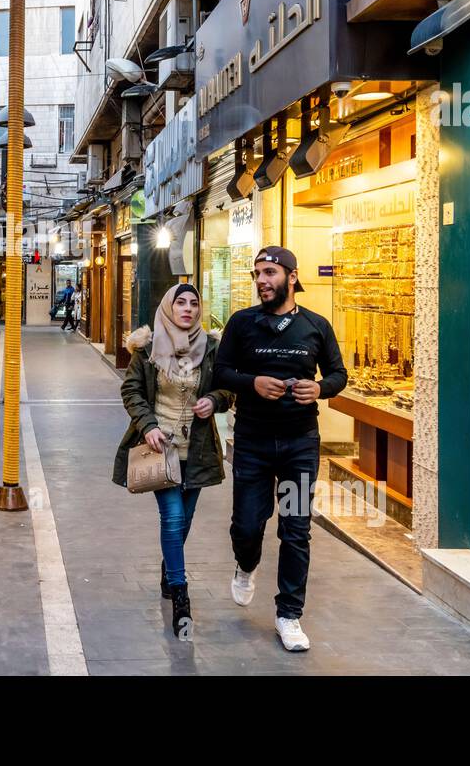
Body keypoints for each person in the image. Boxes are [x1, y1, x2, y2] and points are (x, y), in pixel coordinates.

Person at [214, 246, 346, 653]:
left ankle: (289, 614)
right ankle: (246, 564)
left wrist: (319, 389)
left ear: (292, 276)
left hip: (299, 444)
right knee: (247, 525)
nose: (261, 281)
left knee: (296, 529)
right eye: (257, 273)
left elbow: (339, 374)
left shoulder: (316, 326)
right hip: (252, 441)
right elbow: (221, 372)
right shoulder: (242, 323)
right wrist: (252, 383)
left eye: (269, 272)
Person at [116, 284, 232, 639]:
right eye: (180, 302)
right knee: (173, 516)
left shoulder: (212, 347)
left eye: (194, 303)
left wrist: (214, 400)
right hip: (160, 449)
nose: (188, 309)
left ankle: (170, 569)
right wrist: (148, 425)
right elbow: (131, 390)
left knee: (186, 518)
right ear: (168, 307)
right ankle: (181, 595)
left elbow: (228, 389)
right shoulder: (147, 348)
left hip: (197, 451)